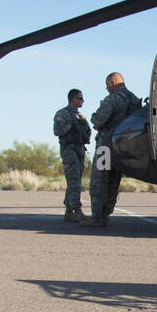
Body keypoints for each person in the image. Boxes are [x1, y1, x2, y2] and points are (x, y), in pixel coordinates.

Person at [84, 72, 140, 227]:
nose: (107, 89)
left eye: (107, 85)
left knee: (99, 180)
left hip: (106, 147)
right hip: (122, 149)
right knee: (114, 180)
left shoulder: (113, 99)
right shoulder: (134, 100)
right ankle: (106, 214)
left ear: (111, 82)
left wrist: (94, 117)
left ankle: (97, 216)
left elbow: (99, 120)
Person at [53, 88, 91, 222]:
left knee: (74, 181)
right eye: (80, 98)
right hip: (69, 149)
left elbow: (87, 131)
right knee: (74, 180)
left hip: (80, 149)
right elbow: (57, 131)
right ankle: (76, 210)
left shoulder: (80, 116)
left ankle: (69, 211)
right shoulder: (63, 113)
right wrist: (71, 124)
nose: (82, 101)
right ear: (72, 99)